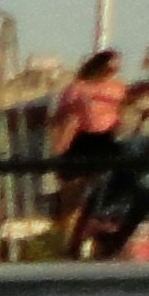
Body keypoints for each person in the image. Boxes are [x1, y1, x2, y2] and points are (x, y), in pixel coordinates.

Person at [49, 51, 127, 253]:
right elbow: (63, 119)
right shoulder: (77, 88)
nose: (113, 71)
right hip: (82, 141)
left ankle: (99, 244)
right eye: (110, 66)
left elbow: (127, 112)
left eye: (116, 67)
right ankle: (67, 246)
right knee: (72, 199)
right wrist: (58, 148)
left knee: (103, 194)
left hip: (107, 141)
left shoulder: (118, 88)